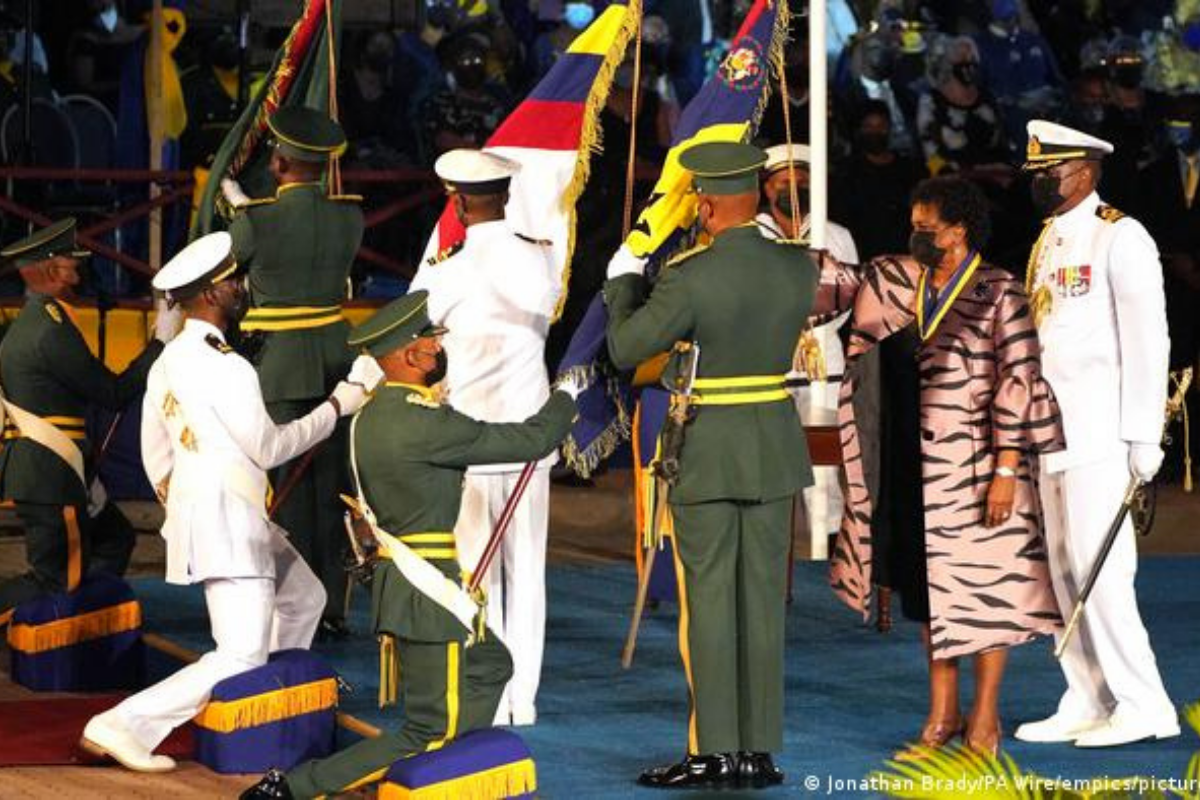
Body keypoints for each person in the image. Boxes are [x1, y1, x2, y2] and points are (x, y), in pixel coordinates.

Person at [240, 291, 583, 800]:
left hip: (406, 582)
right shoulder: (424, 423)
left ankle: (446, 773)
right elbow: (529, 440)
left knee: (492, 664)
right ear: (406, 355)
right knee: (425, 728)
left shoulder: (370, 419)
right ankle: (295, 787)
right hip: (429, 591)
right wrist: (566, 397)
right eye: (429, 341)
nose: (437, 347)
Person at [79, 232, 373, 773]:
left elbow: (154, 454)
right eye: (233, 281)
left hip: (219, 515)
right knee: (238, 652)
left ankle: (264, 707)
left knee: (304, 597)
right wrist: (339, 404)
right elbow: (270, 446)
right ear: (212, 295)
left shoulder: (167, 361)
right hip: (231, 522)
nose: (241, 288)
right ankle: (122, 725)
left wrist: (186, 504)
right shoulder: (227, 366)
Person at [821, 177, 1064, 756]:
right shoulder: (896, 280)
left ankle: (985, 715)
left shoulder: (999, 290)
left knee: (987, 592)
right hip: (909, 466)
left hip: (979, 470)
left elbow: (1020, 381)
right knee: (929, 596)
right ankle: (942, 711)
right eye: (913, 224)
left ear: (958, 231)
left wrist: (1007, 469)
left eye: (926, 227)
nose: (916, 234)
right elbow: (827, 285)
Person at [604, 142, 814, 789]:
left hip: (710, 447)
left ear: (706, 201)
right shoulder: (795, 265)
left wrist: (622, 282)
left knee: (711, 604)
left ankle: (714, 750)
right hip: (774, 445)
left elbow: (625, 347)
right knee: (762, 606)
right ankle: (758, 751)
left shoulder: (692, 273)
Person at [1014, 120, 1180, 748]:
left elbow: (1148, 336)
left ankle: (1144, 702)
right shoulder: (1048, 238)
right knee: (1062, 567)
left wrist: (1143, 433)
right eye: (1034, 173)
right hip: (1050, 428)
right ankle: (1087, 692)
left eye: (1048, 172)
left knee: (1100, 569)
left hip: (1101, 430)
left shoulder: (1121, 235)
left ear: (1083, 169)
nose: (1040, 183)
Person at [409, 149, 560, 726]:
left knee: (473, 570)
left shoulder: (448, 269)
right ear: (505, 196)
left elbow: (419, 335)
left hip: (468, 440)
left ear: (458, 202)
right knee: (526, 572)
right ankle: (523, 698)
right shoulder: (540, 258)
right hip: (527, 437)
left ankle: (489, 696)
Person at [223, 106, 364, 640]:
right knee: (330, 488)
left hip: (278, 365)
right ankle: (331, 605)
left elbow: (236, 260)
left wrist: (236, 206)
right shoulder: (349, 216)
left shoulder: (256, 221)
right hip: (335, 357)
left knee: (282, 491)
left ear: (278, 163)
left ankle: (290, 605)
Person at [0, 218, 172, 623]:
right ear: (49, 270)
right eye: (67, 260)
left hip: (64, 470)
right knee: (53, 578)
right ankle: (62, 627)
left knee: (115, 538)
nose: (76, 266)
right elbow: (111, 393)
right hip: (51, 475)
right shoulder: (49, 331)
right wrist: (160, 342)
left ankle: (82, 624)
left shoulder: (40, 322)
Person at [756, 143, 858, 558]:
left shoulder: (836, 235)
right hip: (766, 360)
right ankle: (769, 555)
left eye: (802, 183)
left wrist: (808, 326)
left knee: (823, 466)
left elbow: (848, 296)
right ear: (766, 189)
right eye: (784, 184)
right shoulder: (749, 235)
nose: (793, 191)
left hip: (822, 361)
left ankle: (827, 552)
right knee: (767, 462)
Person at [916, 35, 1009, 176]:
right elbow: (929, 153)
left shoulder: (987, 97)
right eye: (962, 58)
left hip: (997, 177)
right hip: (956, 182)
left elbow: (1002, 140)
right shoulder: (930, 102)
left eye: (972, 58)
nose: (968, 63)